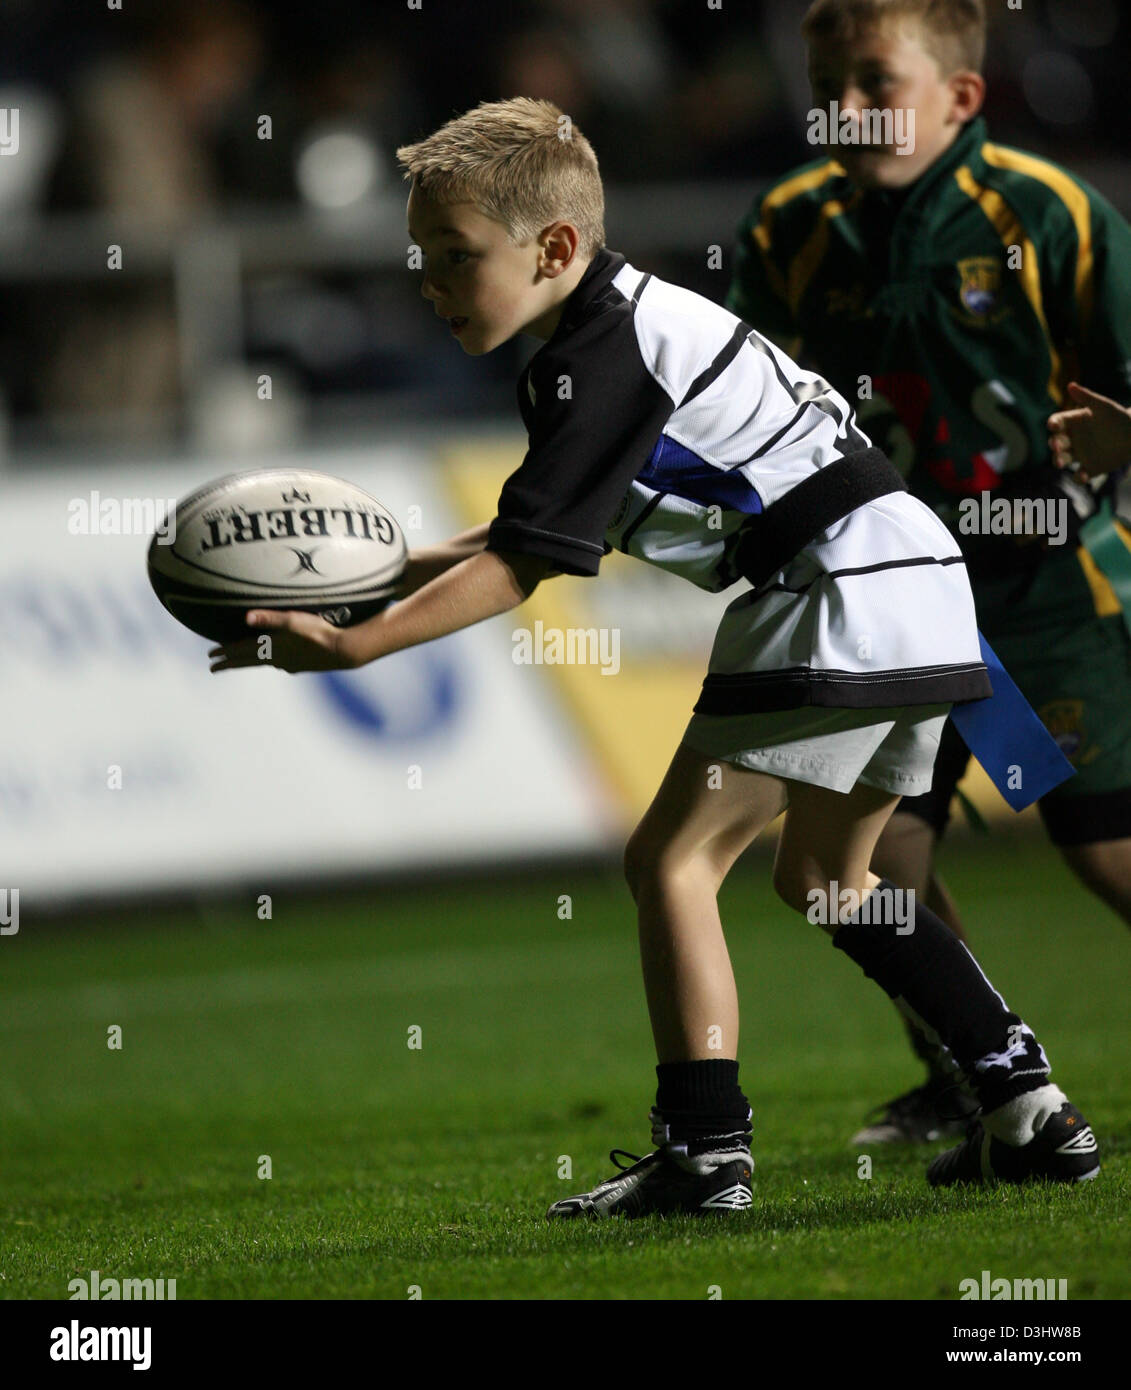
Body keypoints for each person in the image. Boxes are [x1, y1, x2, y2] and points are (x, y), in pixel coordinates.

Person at [210, 97, 1098, 1215]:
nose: (429, 283)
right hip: (911, 579)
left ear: (556, 248)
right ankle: (1027, 1108)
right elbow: (538, 529)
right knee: (830, 880)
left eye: (454, 257)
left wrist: (354, 645)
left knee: (671, 860)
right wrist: (381, 569)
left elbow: (527, 565)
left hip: (827, 586)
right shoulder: (626, 325)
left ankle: (704, 1150)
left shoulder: (594, 357)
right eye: (421, 258)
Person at [728, 0, 1131, 1146]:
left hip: (1046, 587)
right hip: (891, 599)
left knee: (1105, 849)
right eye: (825, 85)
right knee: (875, 859)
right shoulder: (784, 228)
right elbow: (750, 404)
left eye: (872, 82)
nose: (842, 110)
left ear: (961, 97)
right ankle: (971, 1071)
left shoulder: (1049, 215)